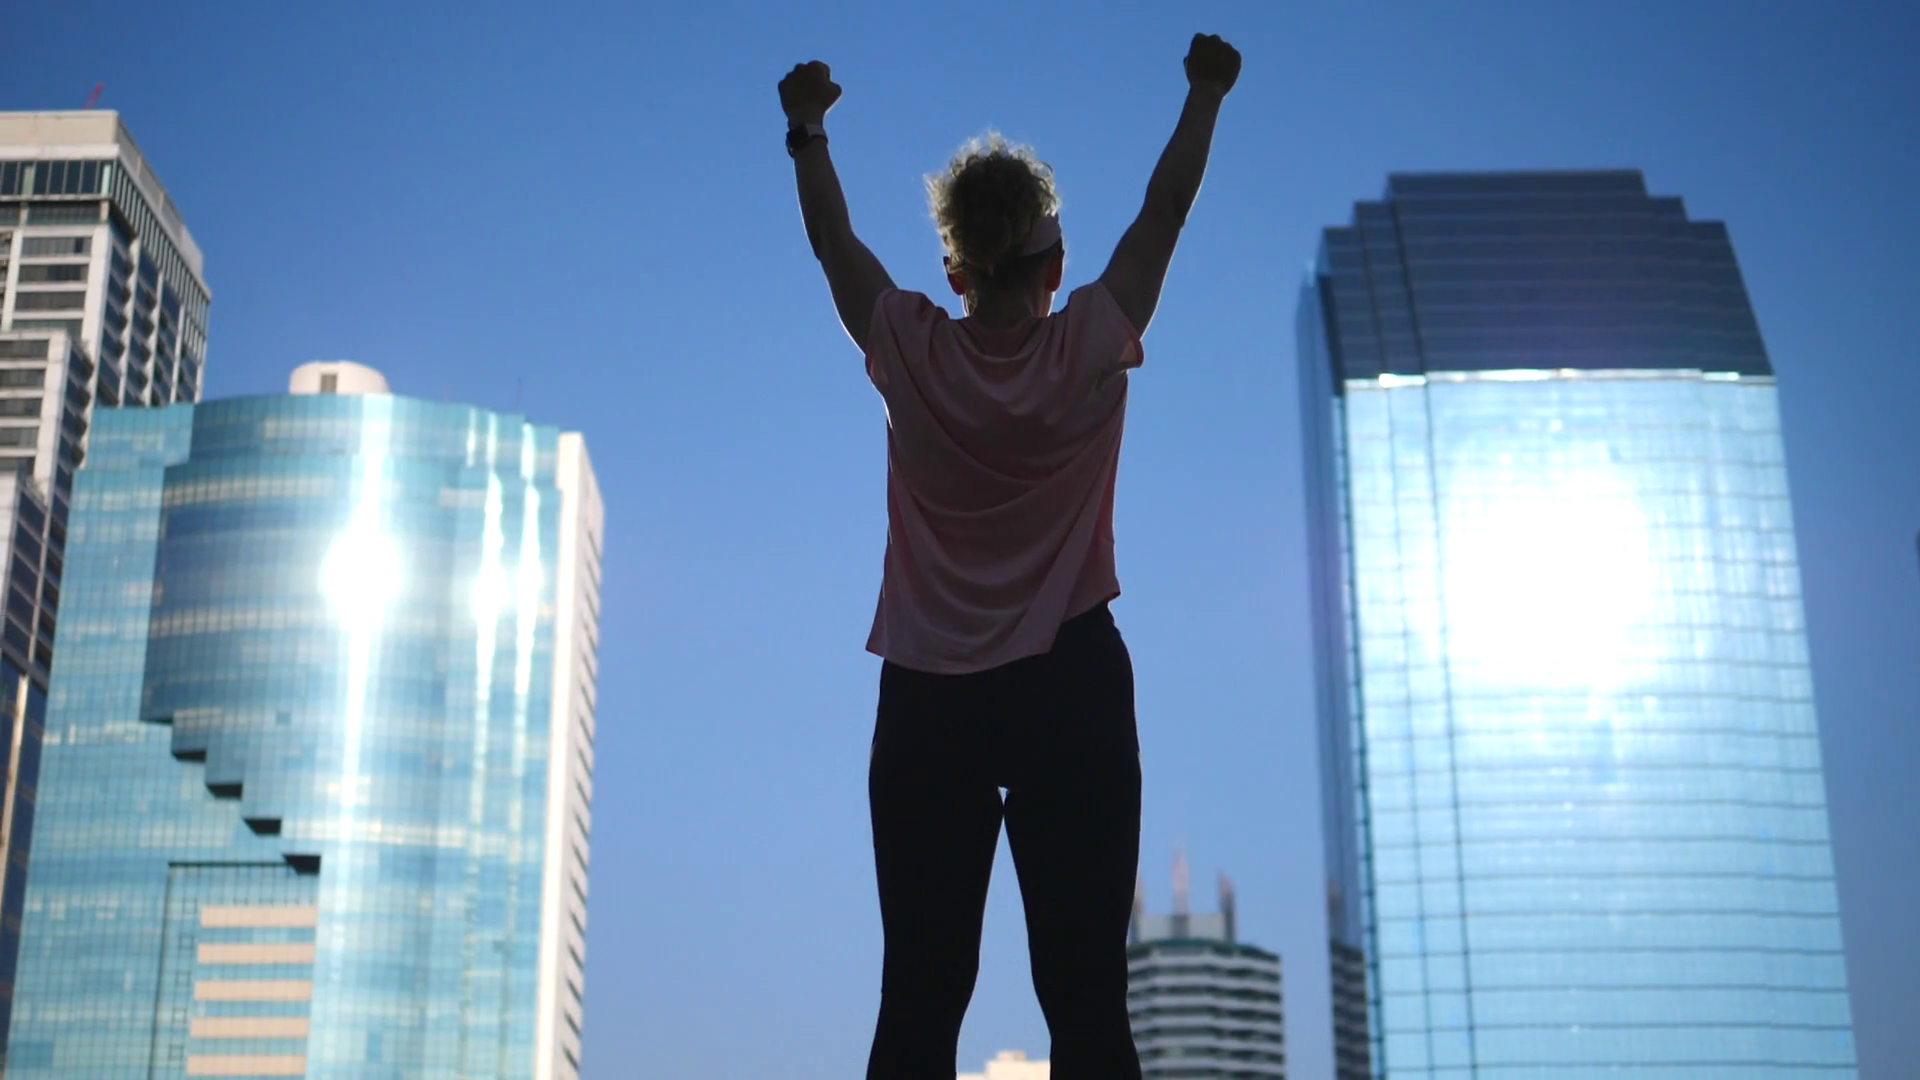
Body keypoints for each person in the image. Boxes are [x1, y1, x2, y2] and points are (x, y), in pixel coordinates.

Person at [778, 32, 1241, 1080]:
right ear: (1056, 268)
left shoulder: (910, 347)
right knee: (1086, 1002)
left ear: (953, 268)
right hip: (1069, 686)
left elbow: (833, 246)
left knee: (919, 1003)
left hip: (930, 700)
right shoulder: (1089, 344)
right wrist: (1206, 93)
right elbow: (1164, 213)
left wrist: (808, 132)